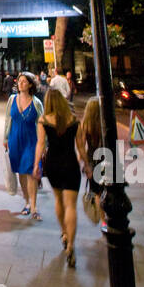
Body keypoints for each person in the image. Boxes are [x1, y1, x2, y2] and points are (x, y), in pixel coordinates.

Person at [33, 89, 81, 266]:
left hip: (53, 164)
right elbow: (80, 148)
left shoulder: (44, 120)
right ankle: (71, 245)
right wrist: (87, 165)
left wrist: (36, 165)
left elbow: (40, 144)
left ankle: (64, 233)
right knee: (71, 206)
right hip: (70, 163)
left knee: (59, 200)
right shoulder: (74, 120)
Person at [3, 71, 44, 219]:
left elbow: (42, 123)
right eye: (19, 81)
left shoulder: (36, 102)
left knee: (31, 172)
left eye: (24, 81)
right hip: (15, 139)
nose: (20, 84)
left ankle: (34, 206)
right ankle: (26, 202)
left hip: (31, 140)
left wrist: (44, 144)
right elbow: (8, 119)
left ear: (30, 85)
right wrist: (5, 138)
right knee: (21, 172)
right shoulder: (12, 100)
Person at [77, 96, 106, 232]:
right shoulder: (104, 124)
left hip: (92, 161)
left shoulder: (85, 124)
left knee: (96, 192)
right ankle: (107, 218)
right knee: (106, 190)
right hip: (106, 159)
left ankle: (103, 220)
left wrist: (80, 162)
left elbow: (81, 146)